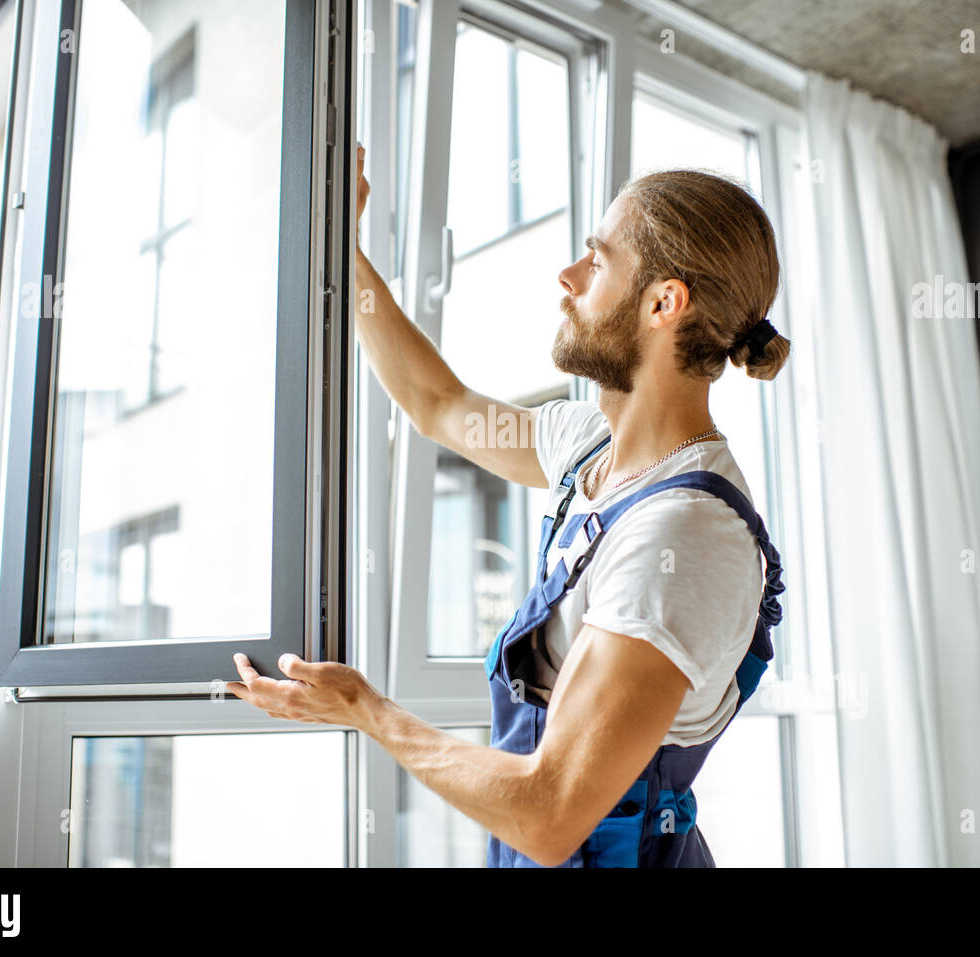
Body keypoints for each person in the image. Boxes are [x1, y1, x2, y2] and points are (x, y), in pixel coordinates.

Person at [229, 146, 788, 867]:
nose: (569, 277)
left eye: (597, 260)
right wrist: (344, 249)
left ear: (663, 303)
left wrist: (366, 710)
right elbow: (440, 406)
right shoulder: (591, 444)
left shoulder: (683, 536)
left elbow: (550, 813)